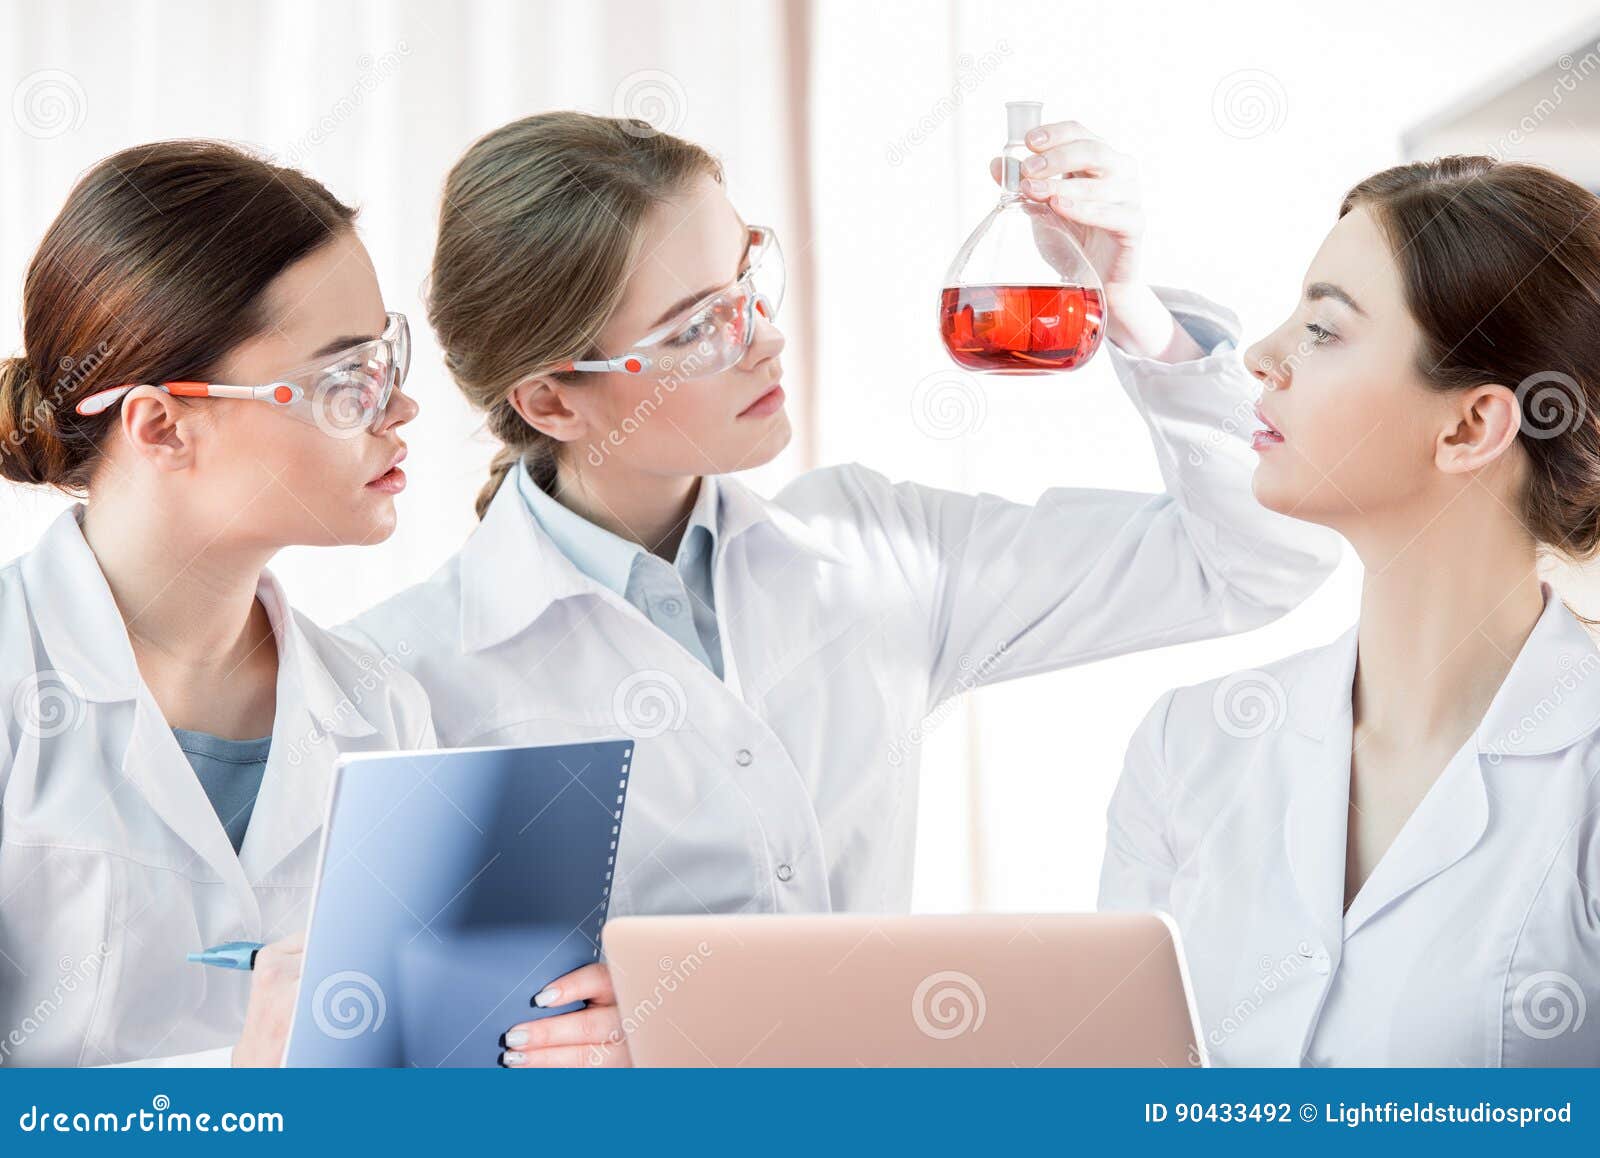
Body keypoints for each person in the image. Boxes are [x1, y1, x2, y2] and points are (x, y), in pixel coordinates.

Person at [343, 111, 1338, 1067]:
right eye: (699, 328)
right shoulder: (408, 681)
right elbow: (402, 1059)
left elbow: (1255, 558)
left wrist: (1125, 299)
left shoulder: (874, 550)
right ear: (553, 399)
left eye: (749, 279)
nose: (764, 336)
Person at [1100, 156, 1600, 1067]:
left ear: (1469, 427)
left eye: (1324, 329)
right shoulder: (1189, 748)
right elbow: (1121, 1100)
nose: (1261, 356)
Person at [0, 141, 429, 1067]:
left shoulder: (385, 709)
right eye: (344, 380)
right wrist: (226, 1095)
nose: (399, 410)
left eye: (384, 360)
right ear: (162, 425)